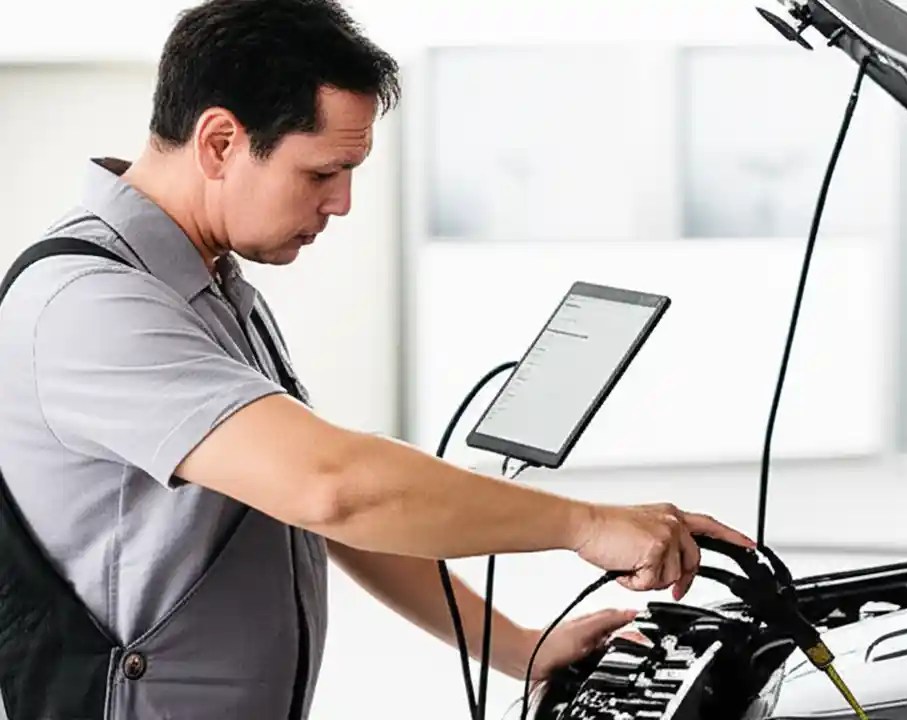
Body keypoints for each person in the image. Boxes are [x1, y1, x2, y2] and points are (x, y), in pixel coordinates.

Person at [0, 1, 753, 718]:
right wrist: (584, 524)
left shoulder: (211, 288)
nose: (342, 203)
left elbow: (334, 514)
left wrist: (519, 648)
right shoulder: (90, 302)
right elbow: (333, 488)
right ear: (220, 143)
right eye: (322, 173)